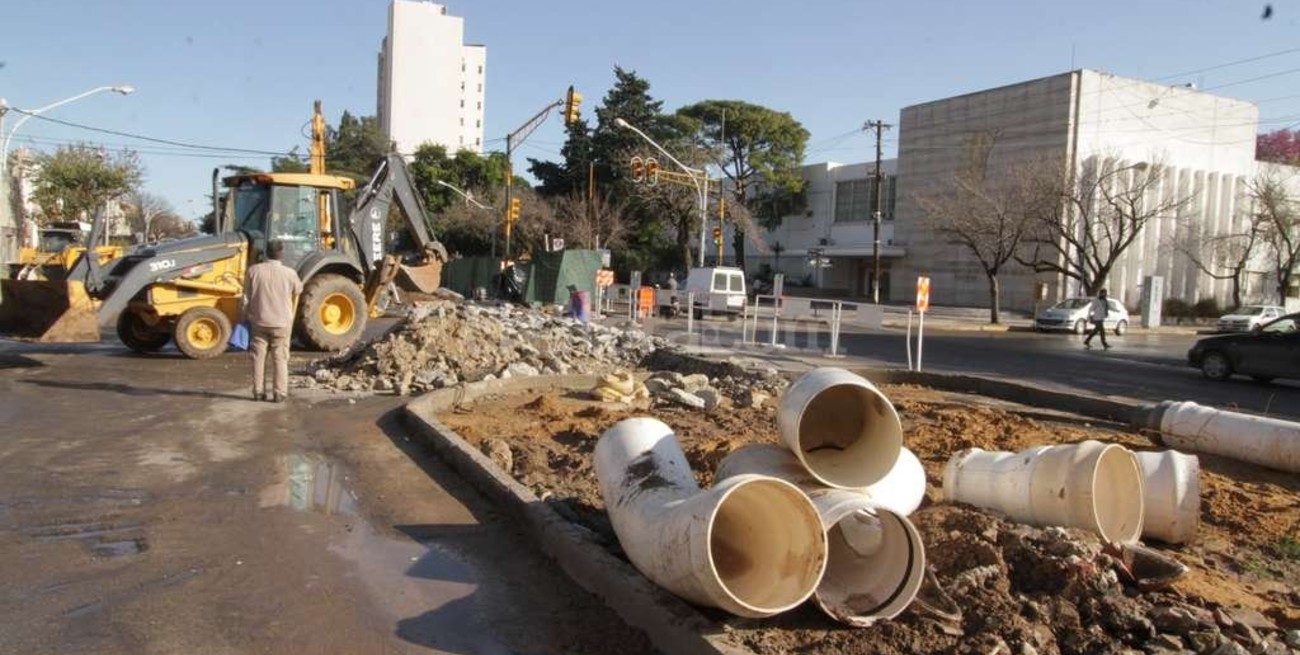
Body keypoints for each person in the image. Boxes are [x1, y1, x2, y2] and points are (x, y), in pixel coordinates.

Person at [243, 240, 303, 402]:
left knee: (258, 357)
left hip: (259, 321)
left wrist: (246, 315)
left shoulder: (253, 271)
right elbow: (298, 290)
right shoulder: (290, 273)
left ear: (266, 252)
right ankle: (279, 393)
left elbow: (246, 296)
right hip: (282, 323)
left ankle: (258, 391)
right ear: (281, 253)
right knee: (280, 358)